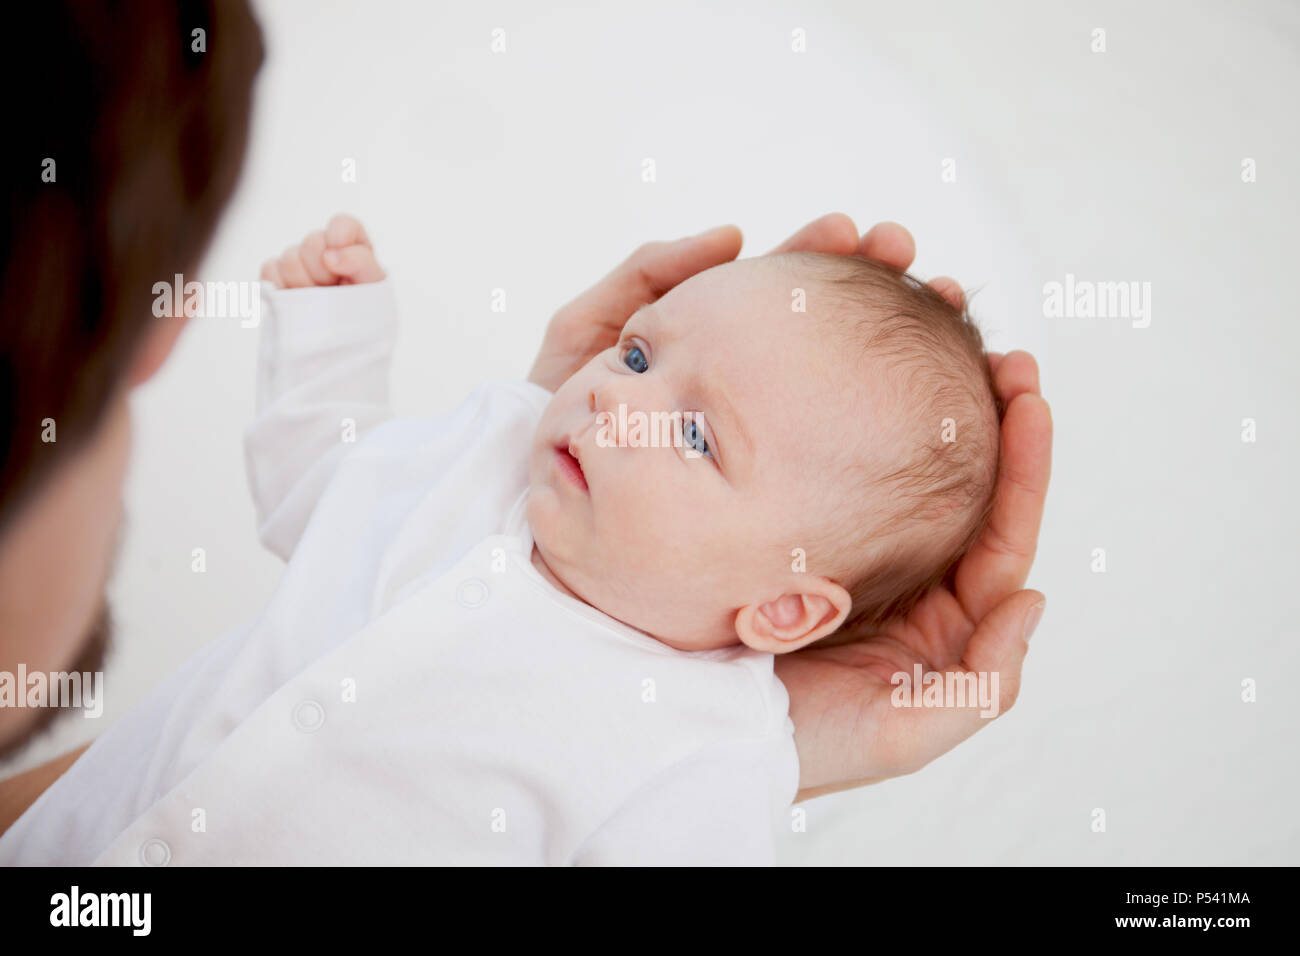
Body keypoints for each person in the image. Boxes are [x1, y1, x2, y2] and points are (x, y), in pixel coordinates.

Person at [0, 0, 1051, 837]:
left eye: (694, 434)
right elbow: (319, 489)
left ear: (785, 612)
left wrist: (791, 761)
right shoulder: (494, 459)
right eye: (638, 351)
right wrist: (331, 336)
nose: (615, 397)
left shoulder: (708, 761)